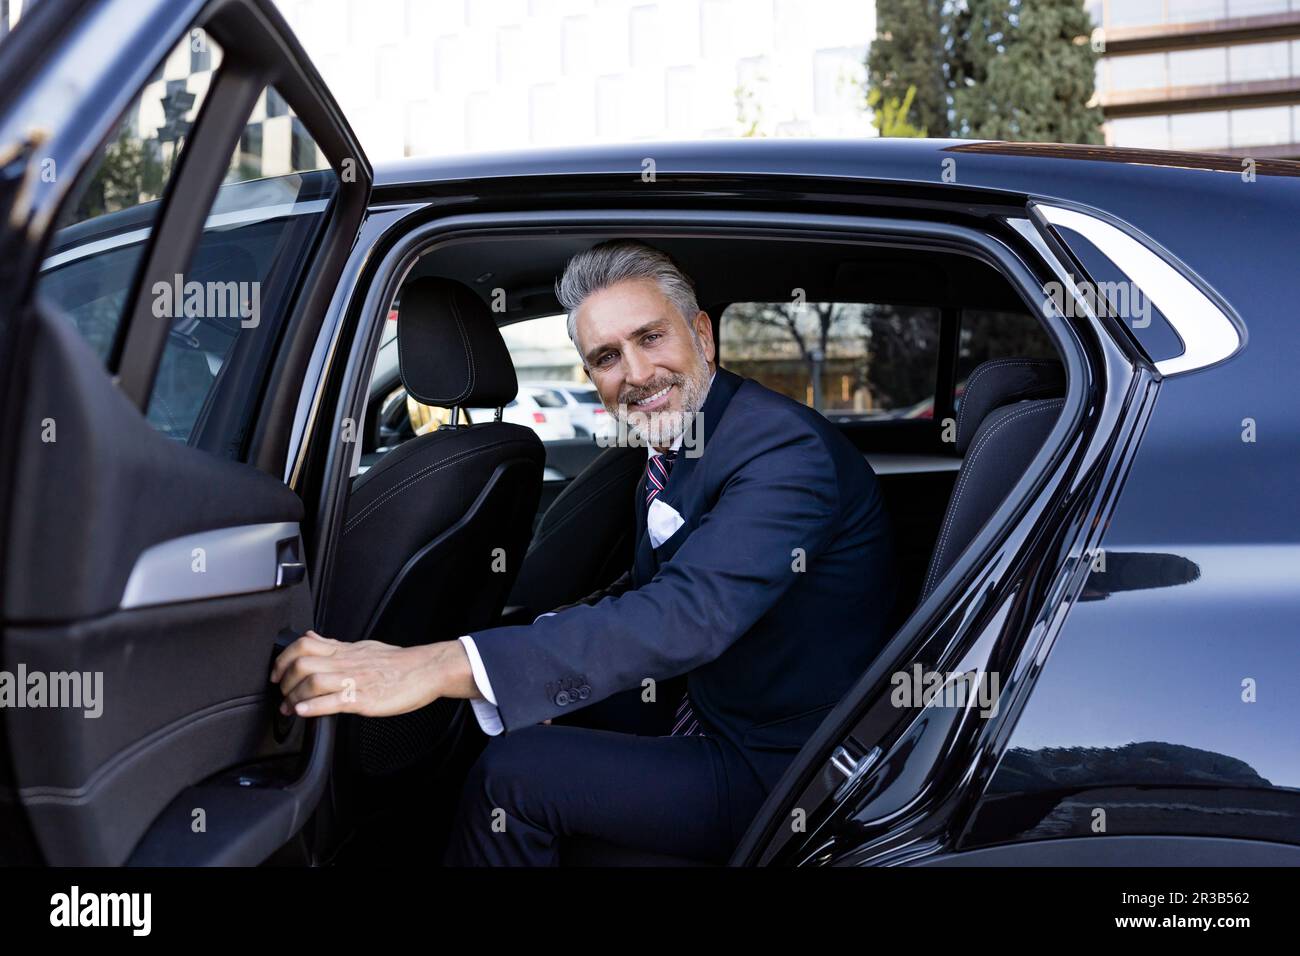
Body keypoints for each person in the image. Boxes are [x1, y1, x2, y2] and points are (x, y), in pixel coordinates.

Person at [272, 240, 896, 865]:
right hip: (711, 707)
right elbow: (643, 590)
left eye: (651, 337)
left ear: (702, 335)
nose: (636, 373)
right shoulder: (681, 441)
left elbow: (684, 615)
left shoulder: (783, 450)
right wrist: (532, 662)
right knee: (523, 716)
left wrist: (436, 665)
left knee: (515, 775)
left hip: (789, 769)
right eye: (606, 357)